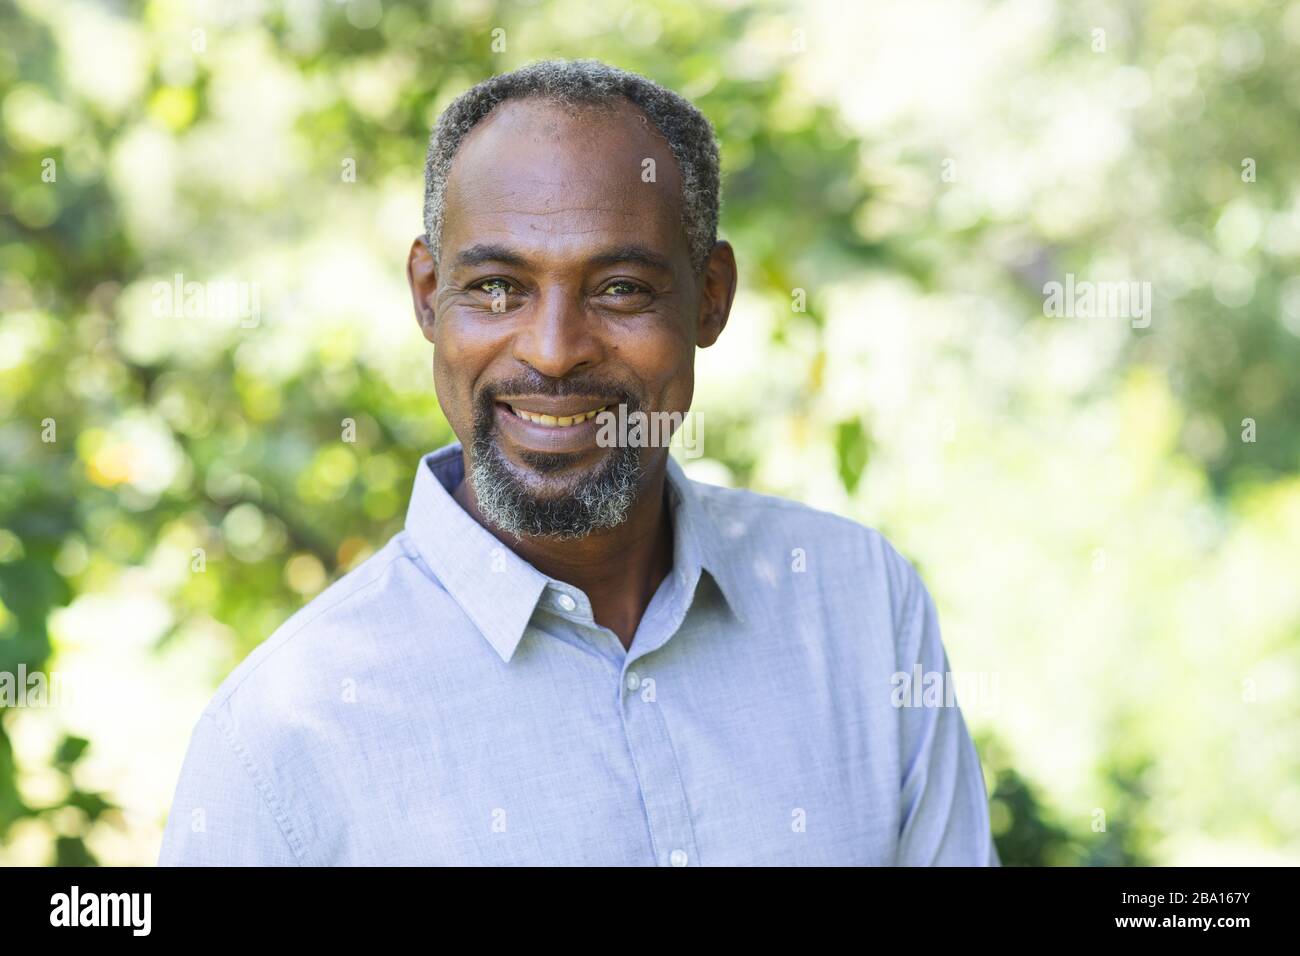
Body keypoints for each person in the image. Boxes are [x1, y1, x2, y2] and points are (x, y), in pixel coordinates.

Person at [158, 59, 999, 866]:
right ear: (427, 294)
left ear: (710, 297)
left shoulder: (857, 603)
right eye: (496, 288)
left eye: (621, 288)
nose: (555, 352)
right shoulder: (280, 739)